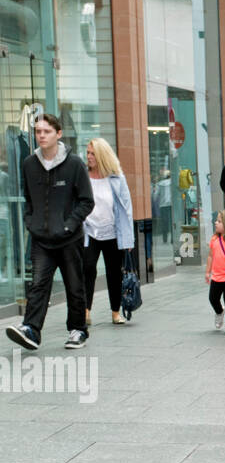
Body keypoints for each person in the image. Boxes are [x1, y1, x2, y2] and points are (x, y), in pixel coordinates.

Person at [6, 111, 93, 352]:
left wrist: (69, 224)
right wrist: (30, 222)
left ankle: (78, 330)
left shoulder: (74, 164)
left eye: (46, 131)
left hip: (68, 238)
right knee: (38, 284)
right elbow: (28, 199)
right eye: (38, 131)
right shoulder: (29, 164)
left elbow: (87, 201)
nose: (41, 135)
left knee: (74, 285)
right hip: (41, 239)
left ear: (58, 134)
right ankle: (31, 329)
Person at [82, 138, 135, 327]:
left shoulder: (116, 178)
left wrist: (128, 241)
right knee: (87, 269)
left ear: (102, 156)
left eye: (92, 153)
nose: (88, 157)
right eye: (87, 153)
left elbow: (126, 209)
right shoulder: (83, 176)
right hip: (89, 231)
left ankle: (115, 312)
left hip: (113, 232)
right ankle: (85, 311)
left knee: (114, 273)